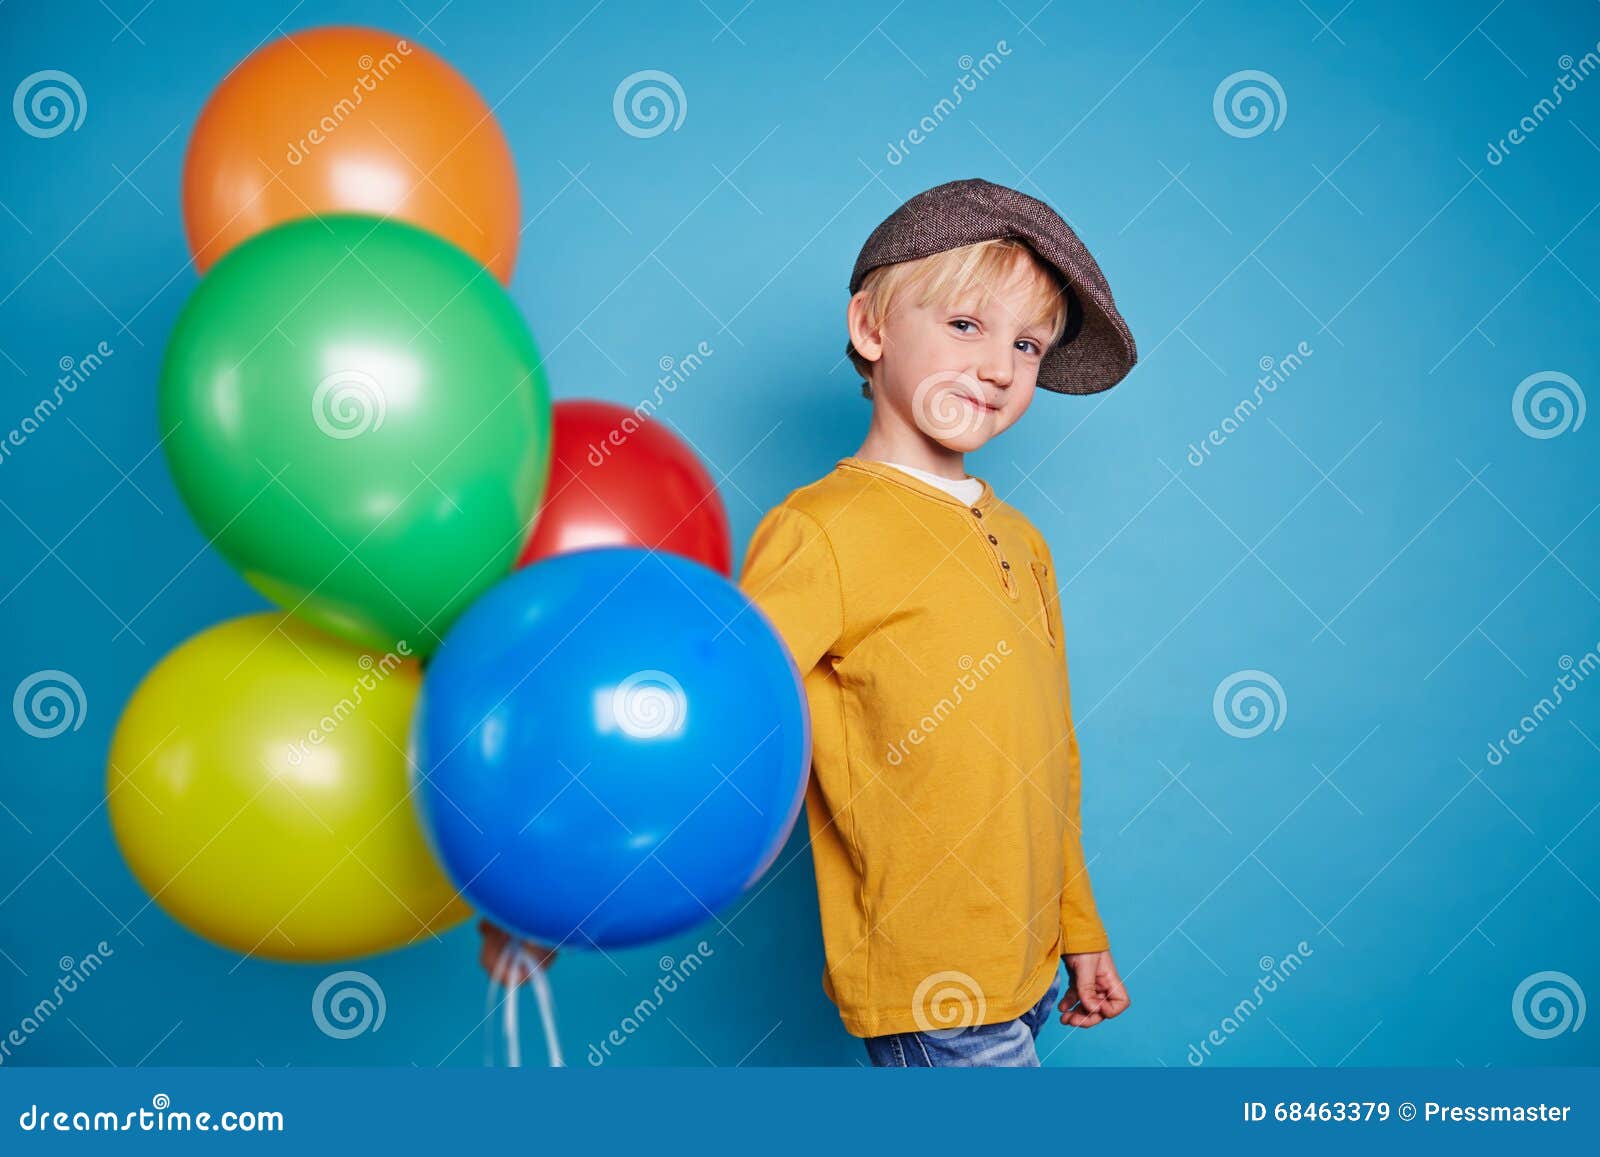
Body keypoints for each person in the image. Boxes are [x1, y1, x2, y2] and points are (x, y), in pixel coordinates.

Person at [736, 178, 1137, 1066]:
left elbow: (1051, 751)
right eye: (965, 324)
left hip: (1026, 967)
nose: (999, 367)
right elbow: (724, 720)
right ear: (872, 327)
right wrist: (585, 890)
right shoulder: (822, 530)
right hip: (934, 980)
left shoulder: (1023, 540)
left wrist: (1078, 927)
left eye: (1027, 344)